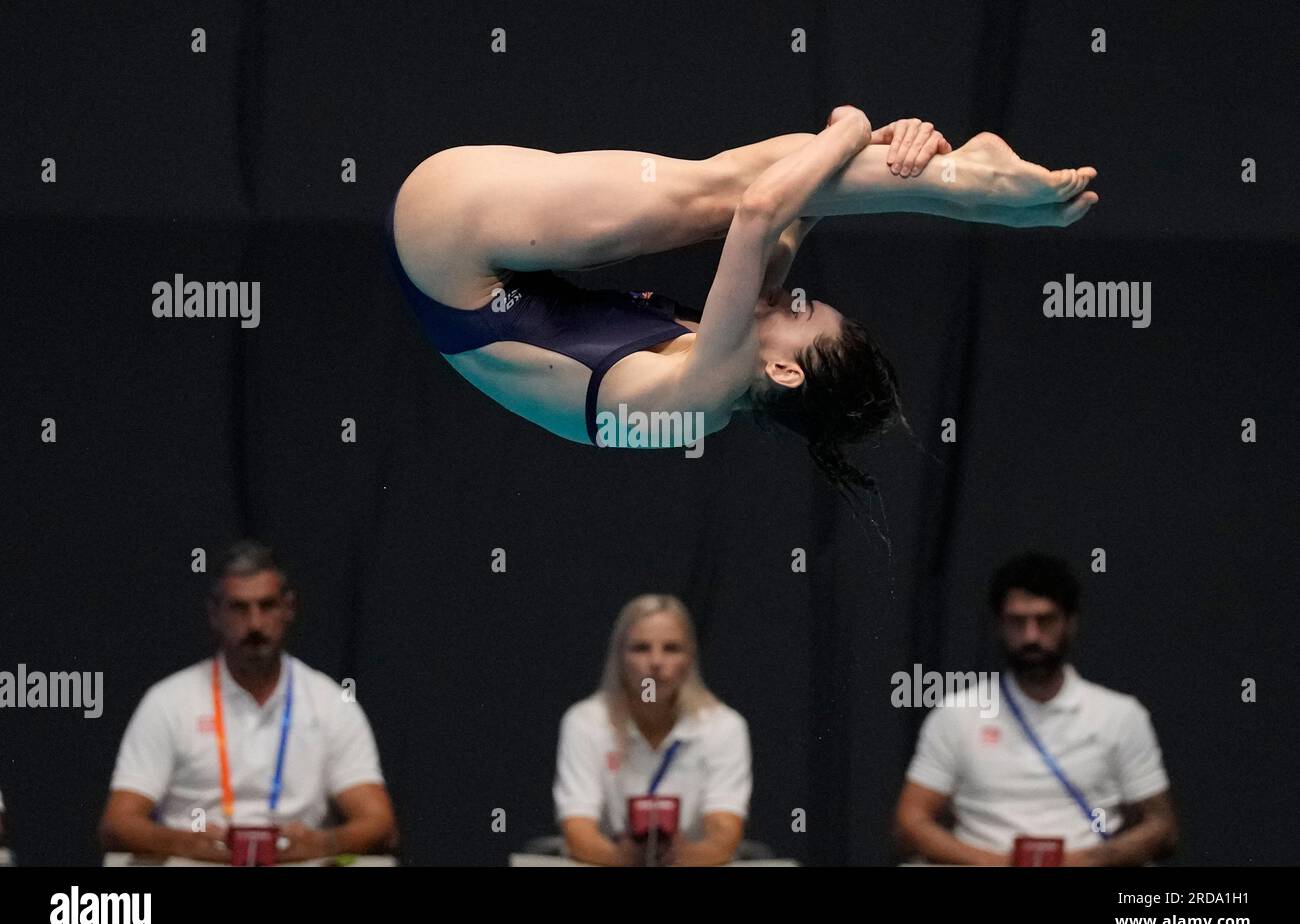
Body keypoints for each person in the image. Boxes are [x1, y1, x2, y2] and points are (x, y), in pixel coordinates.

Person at [387, 106, 1098, 496]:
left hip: (449, 241)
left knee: (719, 195)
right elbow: (796, 209)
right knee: (744, 180)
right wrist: (900, 147)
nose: (786, 297)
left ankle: (982, 197)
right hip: (466, 264)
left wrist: (851, 129)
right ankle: (968, 180)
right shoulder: (731, 382)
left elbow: (761, 213)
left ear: (787, 371)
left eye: (798, 312)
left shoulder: (706, 389)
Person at [99, 541, 397, 863]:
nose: (254, 624)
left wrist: (319, 844)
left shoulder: (330, 702)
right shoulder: (169, 700)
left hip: (295, 862)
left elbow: (380, 823)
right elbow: (117, 824)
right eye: (239, 608)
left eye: (266, 606)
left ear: (288, 609)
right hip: (198, 862)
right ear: (215, 613)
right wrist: (186, 844)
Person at [894, 552, 1178, 866]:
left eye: (1045, 621)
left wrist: (1086, 861)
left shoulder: (1121, 715)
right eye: (1017, 622)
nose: (1031, 636)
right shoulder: (956, 714)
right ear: (999, 625)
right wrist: (997, 864)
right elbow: (911, 820)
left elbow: (1161, 825)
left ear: (1070, 622)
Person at [553, 595, 751, 866]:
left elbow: (725, 833)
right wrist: (621, 858)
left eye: (671, 648)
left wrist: (685, 857)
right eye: (641, 648)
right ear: (619, 657)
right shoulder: (586, 722)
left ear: (689, 658)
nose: (656, 662)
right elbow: (577, 827)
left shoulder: (723, 727)